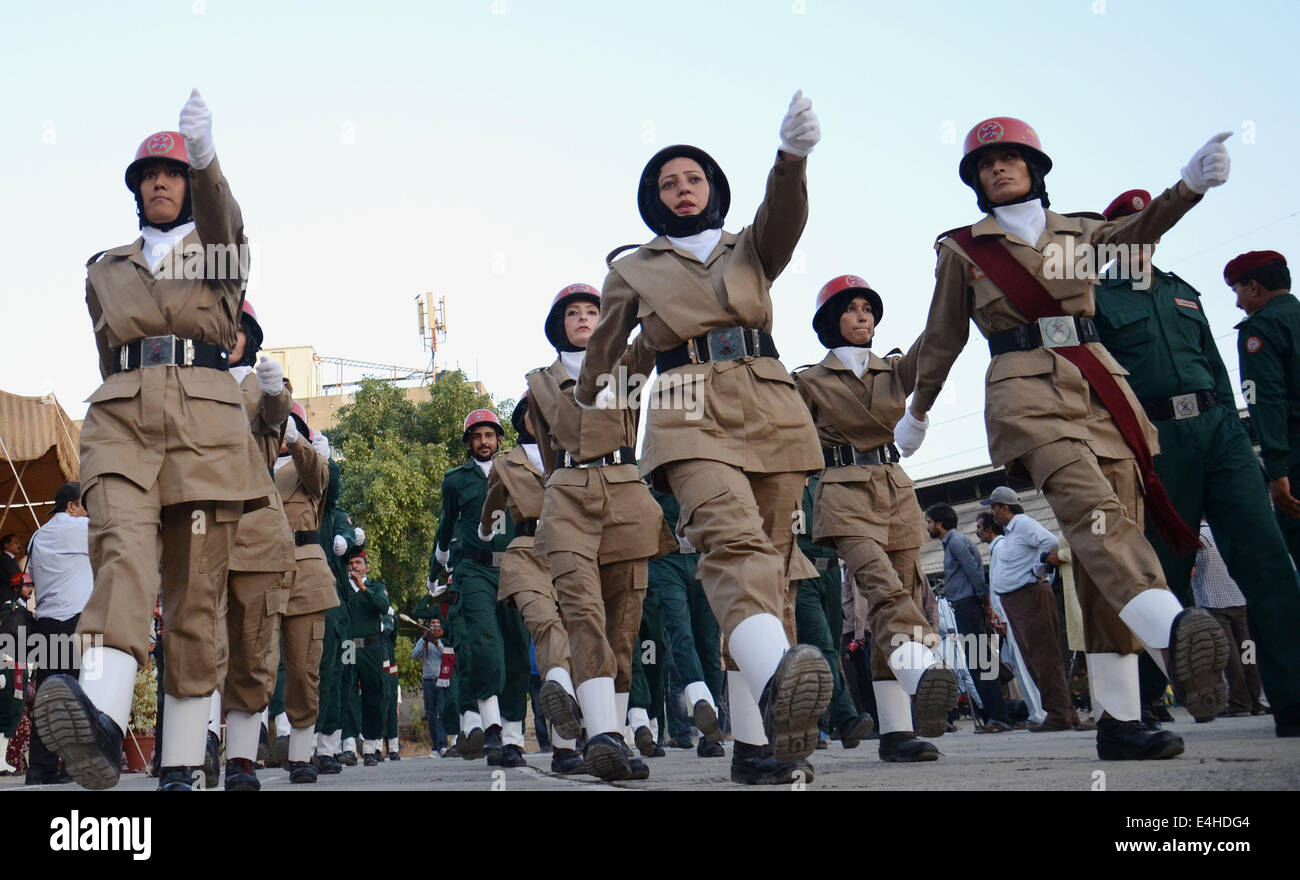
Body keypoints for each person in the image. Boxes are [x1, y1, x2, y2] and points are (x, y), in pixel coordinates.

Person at [900, 116, 1232, 759]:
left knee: (1110, 543)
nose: (998, 169)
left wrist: (1187, 187)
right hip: (1025, 397)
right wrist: (921, 408)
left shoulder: (1077, 233)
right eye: (985, 163)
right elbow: (944, 336)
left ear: (1035, 167)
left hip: (1101, 390)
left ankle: (1119, 720)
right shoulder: (965, 249)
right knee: (1092, 513)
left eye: (1010, 158)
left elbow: (1139, 233)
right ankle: (1173, 636)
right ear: (975, 180)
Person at [575, 92, 835, 784]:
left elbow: (785, 219)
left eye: (693, 178)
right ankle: (781, 676)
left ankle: (754, 746)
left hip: (772, 403)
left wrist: (792, 159)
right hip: (687, 405)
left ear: (713, 189)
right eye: (668, 182)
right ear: (653, 200)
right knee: (731, 544)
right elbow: (605, 357)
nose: (682, 188)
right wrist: (599, 417)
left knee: (772, 570)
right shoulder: (633, 268)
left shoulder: (748, 246)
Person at [35, 91, 278, 791]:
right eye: (149, 175)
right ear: (136, 190)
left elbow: (227, 219)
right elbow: (107, 345)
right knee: (121, 560)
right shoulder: (104, 268)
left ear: (189, 184)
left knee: (196, 599)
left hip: (204, 426)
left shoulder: (220, 254)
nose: (160, 182)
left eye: (173, 173)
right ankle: (103, 723)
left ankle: (178, 762)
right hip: (121, 422)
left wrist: (208, 159)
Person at [1093, 207, 1300, 738]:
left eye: (1152, 230)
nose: (1146, 240)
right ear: (1114, 239)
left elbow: (1215, 366)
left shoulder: (1183, 290)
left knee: (1268, 560)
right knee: (1158, 573)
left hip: (1219, 431)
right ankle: (1138, 707)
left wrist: (1237, 433)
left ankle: (1294, 698)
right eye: (1133, 231)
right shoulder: (1096, 297)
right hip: (1159, 442)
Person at [794, 274, 958, 763]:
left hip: (895, 489)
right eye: (851, 308)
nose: (863, 315)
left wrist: (951, 282)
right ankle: (923, 669)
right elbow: (793, 445)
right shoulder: (808, 380)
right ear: (830, 320)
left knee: (902, 593)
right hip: (842, 491)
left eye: (868, 307)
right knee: (880, 587)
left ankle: (896, 731)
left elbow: (937, 338)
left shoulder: (893, 370)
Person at [527, 283, 668, 781]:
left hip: (627, 491)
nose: (585, 318)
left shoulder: (626, 368)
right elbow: (546, 449)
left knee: (623, 626)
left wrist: (639, 293)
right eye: (573, 313)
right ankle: (605, 736)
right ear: (557, 324)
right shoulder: (540, 382)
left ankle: (617, 736)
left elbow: (656, 336)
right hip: (567, 492)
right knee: (582, 612)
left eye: (594, 311)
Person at [480, 393, 586, 774]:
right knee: (546, 626)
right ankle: (560, 704)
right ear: (523, 418)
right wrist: (486, 525)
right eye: (532, 411)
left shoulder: (579, 454)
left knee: (579, 638)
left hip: (572, 550)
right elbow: (491, 504)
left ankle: (566, 749)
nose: (539, 417)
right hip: (525, 552)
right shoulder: (507, 462)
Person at [217, 301, 293, 790]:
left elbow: (275, 412)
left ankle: (241, 758)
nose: (227, 338)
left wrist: (273, 388)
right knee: (196, 639)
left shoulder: (258, 383)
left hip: (254, 528)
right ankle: (190, 748)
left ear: (251, 336)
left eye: (236, 330)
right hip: (195, 524)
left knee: (252, 645)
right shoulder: (185, 380)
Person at [431, 408, 527, 766]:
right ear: (468, 442)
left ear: (500, 440)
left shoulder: (518, 471)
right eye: (477, 436)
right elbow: (446, 523)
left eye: (489, 435)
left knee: (517, 650)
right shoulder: (456, 479)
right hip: (473, 569)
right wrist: (438, 561)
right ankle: (492, 730)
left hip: (515, 568)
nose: (484, 442)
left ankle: (515, 738)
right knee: (485, 644)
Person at [981, 487, 1093, 734]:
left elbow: (1051, 544)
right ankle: (1064, 712)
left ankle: (1059, 714)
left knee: (1044, 658)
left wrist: (1039, 570)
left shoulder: (1022, 524)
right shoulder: (1012, 532)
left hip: (1029, 596)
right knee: (1034, 660)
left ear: (1005, 507)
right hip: (1018, 600)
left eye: (994, 507)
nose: (992, 513)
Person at [793, 473, 875, 749]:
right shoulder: (779, 481)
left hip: (830, 574)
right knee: (822, 646)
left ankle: (812, 726)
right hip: (798, 574)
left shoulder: (824, 482)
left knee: (822, 653)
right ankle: (846, 718)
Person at [645, 483, 725, 757]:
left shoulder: (698, 477)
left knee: (709, 645)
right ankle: (700, 701)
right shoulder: (650, 487)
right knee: (681, 632)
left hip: (703, 558)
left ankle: (710, 732)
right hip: (666, 561)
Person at [23, 483, 93, 784]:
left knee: (47, 698)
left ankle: (40, 767)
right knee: (81, 698)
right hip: (76, 622)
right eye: (85, 504)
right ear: (72, 506)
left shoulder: (38, 536)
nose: (90, 511)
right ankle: (75, 766)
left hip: (46, 622)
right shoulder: (81, 529)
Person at [926, 503, 1012, 732]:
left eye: (929, 522)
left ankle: (999, 718)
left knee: (980, 664)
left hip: (969, 606)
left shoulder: (955, 542)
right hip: (965, 606)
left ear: (939, 523)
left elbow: (974, 572)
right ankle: (997, 716)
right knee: (977, 664)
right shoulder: (952, 543)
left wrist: (986, 604)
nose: (928, 527)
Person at [1190, 524, 1266, 717]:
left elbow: (1190, 571)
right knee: (1248, 653)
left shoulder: (1198, 536)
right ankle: (1255, 701)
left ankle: (1240, 703)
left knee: (1230, 657)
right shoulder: (1230, 530)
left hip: (1213, 603)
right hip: (1240, 600)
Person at [341, 547, 389, 767]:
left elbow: (383, 606)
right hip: (349, 646)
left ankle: (371, 747)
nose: (353, 567)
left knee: (373, 695)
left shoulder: (376, 587)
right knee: (348, 693)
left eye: (358, 563)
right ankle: (349, 747)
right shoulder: (342, 589)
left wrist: (363, 587)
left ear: (366, 567)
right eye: (350, 564)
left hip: (371, 647)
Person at [411, 617, 449, 754]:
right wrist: (425, 641)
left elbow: (446, 654)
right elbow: (414, 655)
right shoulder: (424, 639)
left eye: (437, 623)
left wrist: (437, 641)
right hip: (428, 680)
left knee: (442, 712)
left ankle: (443, 744)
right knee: (431, 715)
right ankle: (435, 747)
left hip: (441, 680)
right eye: (432, 623)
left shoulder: (443, 638)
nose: (434, 625)